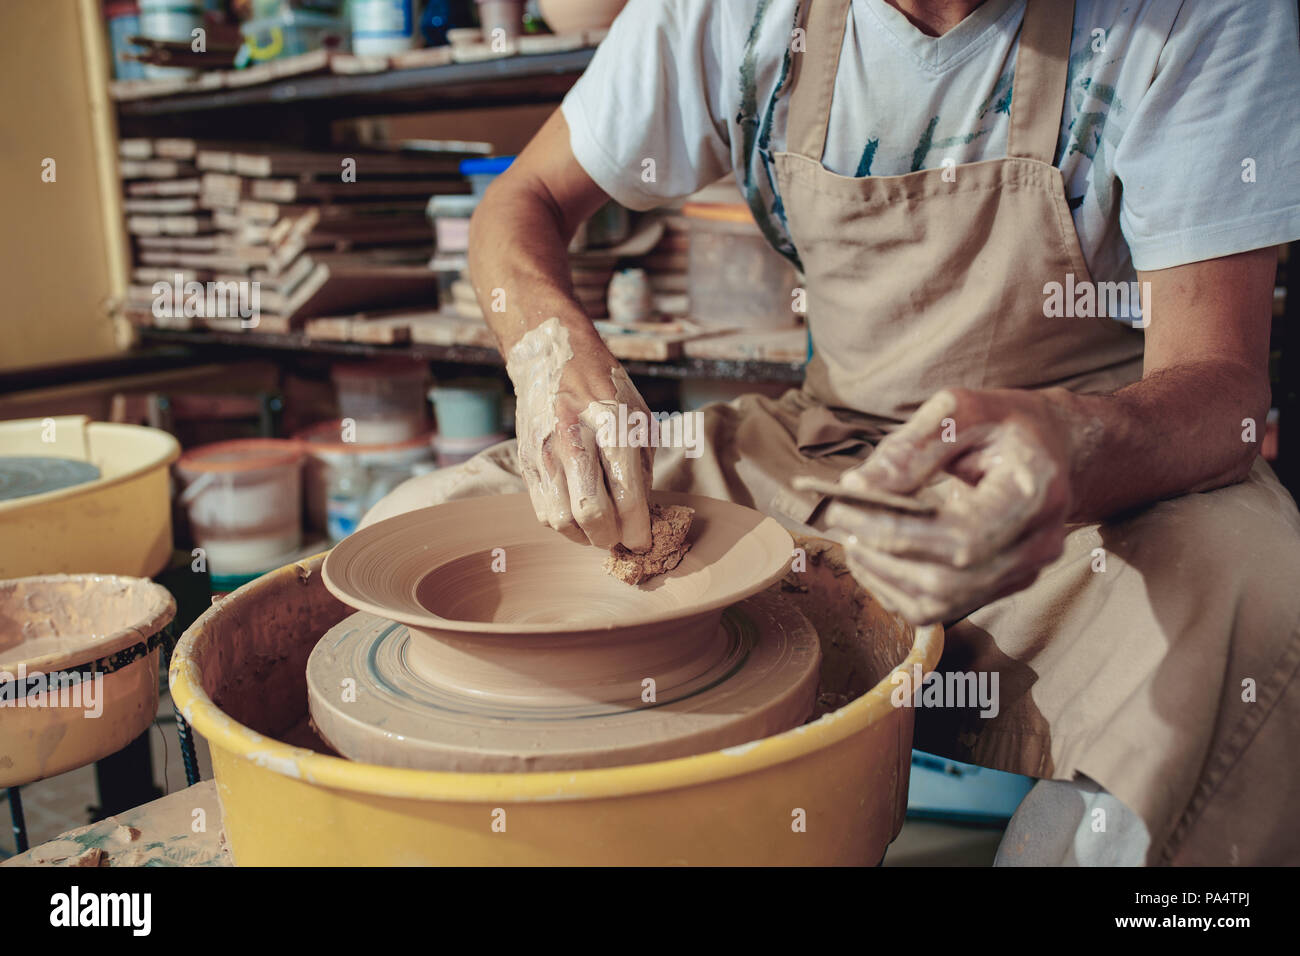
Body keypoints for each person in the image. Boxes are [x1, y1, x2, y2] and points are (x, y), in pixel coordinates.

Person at [366, 0, 1300, 865]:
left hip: (1082, 487)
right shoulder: (738, 14)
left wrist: (1076, 448)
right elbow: (517, 200)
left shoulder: (1195, 14)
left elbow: (1228, 391)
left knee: (1265, 604)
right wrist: (551, 351)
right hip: (819, 445)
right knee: (420, 526)